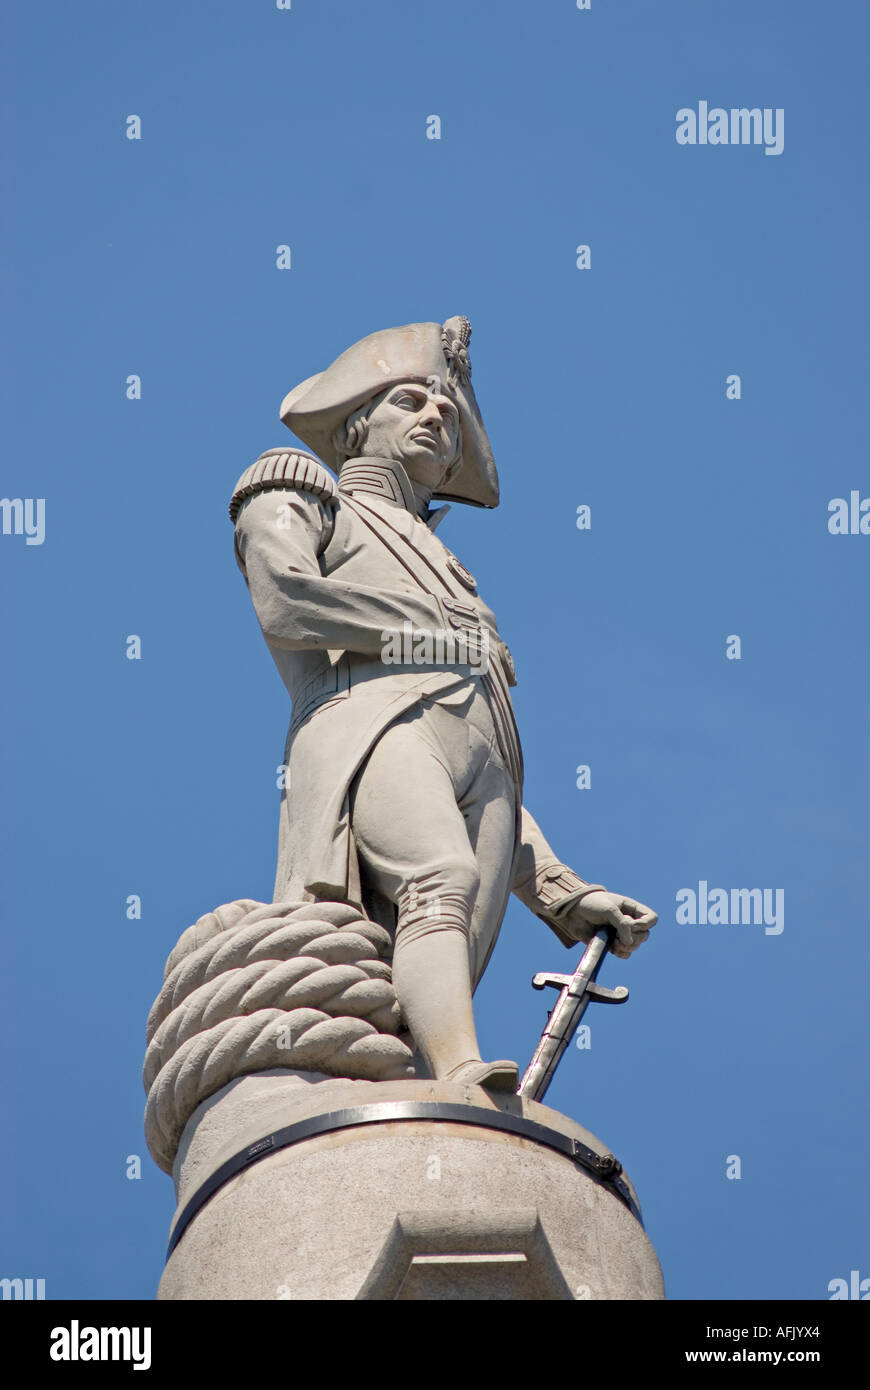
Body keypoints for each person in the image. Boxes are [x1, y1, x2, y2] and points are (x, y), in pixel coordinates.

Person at [231, 316, 656, 1092]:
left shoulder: (452, 568)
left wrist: (566, 893)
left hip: (484, 766)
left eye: (447, 412)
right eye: (408, 401)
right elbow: (286, 601)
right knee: (440, 876)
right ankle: (459, 1072)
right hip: (370, 724)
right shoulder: (303, 488)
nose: (433, 414)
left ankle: (432, 1085)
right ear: (359, 421)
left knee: (443, 930)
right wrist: (435, 635)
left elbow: (478, 748)